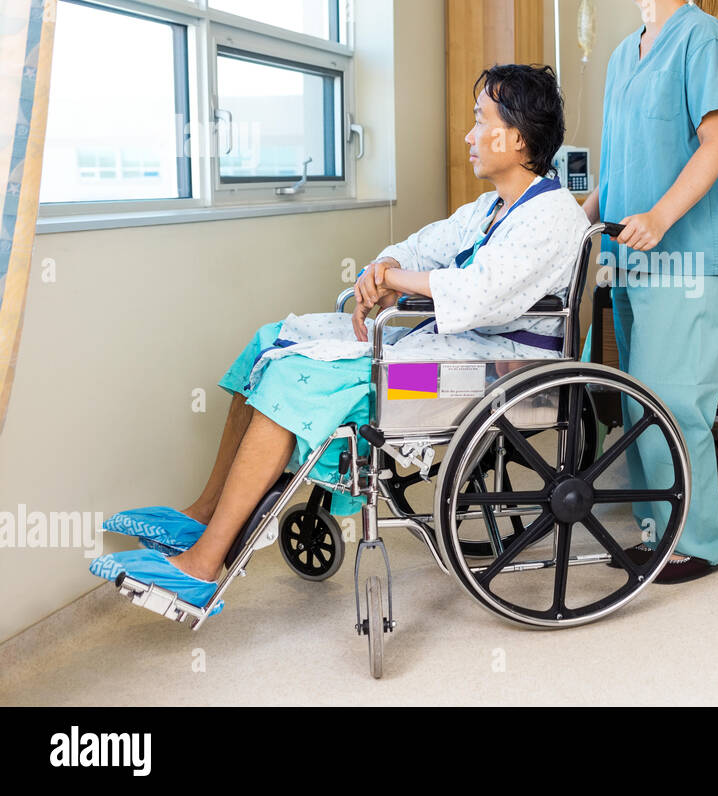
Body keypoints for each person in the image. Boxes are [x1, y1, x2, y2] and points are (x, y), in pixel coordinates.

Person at [91, 64, 590, 610]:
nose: (469, 136)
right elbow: (426, 245)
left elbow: (478, 291)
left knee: (297, 376)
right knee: (271, 340)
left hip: (483, 376)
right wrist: (384, 267)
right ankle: (205, 513)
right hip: (449, 350)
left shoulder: (552, 216)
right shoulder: (492, 206)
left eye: (480, 122)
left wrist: (395, 282)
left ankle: (205, 565)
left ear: (517, 138)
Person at [584, 0, 718, 584]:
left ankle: (705, 542)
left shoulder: (703, 39)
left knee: (676, 400)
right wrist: (581, 214)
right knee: (638, 400)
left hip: (687, 253)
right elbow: (617, 160)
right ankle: (660, 533)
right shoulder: (628, 52)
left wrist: (659, 215)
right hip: (631, 255)